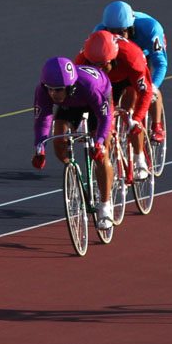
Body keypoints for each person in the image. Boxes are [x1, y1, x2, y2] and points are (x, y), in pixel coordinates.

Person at [32, 57, 115, 230]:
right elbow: (42, 120)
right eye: (50, 90)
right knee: (59, 136)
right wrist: (40, 148)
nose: (53, 94)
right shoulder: (43, 90)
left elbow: (105, 118)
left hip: (97, 99)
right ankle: (73, 171)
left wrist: (99, 142)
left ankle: (106, 205)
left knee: (101, 153)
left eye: (58, 90)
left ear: (69, 86)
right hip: (71, 104)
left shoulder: (89, 86)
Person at [76, 30, 154, 180]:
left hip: (128, 78)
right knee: (104, 121)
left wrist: (136, 119)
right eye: (94, 65)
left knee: (131, 116)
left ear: (112, 59)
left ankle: (140, 160)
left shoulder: (132, 59)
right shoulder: (81, 60)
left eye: (102, 65)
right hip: (103, 84)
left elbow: (145, 93)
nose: (98, 68)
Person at [95, 1, 166, 141]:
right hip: (119, 53)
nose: (117, 36)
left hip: (144, 51)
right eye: (112, 32)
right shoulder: (99, 32)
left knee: (148, 87)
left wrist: (153, 86)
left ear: (131, 28)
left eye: (121, 32)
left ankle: (156, 126)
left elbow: (160, 64)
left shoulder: (151, 29)